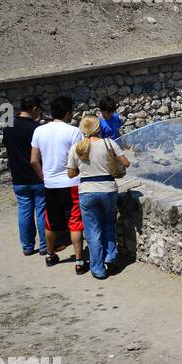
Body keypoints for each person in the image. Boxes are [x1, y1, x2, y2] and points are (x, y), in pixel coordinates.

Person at [66, 116, 129, 280]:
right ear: (98, 128)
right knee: (109, 223)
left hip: (87, 191)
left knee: (93, 231)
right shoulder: (109, 143)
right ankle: (110, 256)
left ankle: (98, 268)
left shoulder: (77, 148)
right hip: (108, 189)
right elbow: (126, 163)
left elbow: (71, 173)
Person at [31, 96, 85, 273]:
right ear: (68, 113)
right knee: (75, 222)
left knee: (50, 222)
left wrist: (44, 177)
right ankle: (79, 261)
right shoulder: (74, 132)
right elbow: (80, 159)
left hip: (50, 183)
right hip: (71, 183)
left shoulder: (39, 131)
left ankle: (50, 255)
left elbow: (33, 160)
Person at [2, 95, 47, 256]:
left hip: (19, 177)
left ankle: (27, 246)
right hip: (36, 176)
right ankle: (44, 245)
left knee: (24, 211)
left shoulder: (8, 126)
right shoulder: (36, 129)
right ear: (34, 108)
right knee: (41, 211)